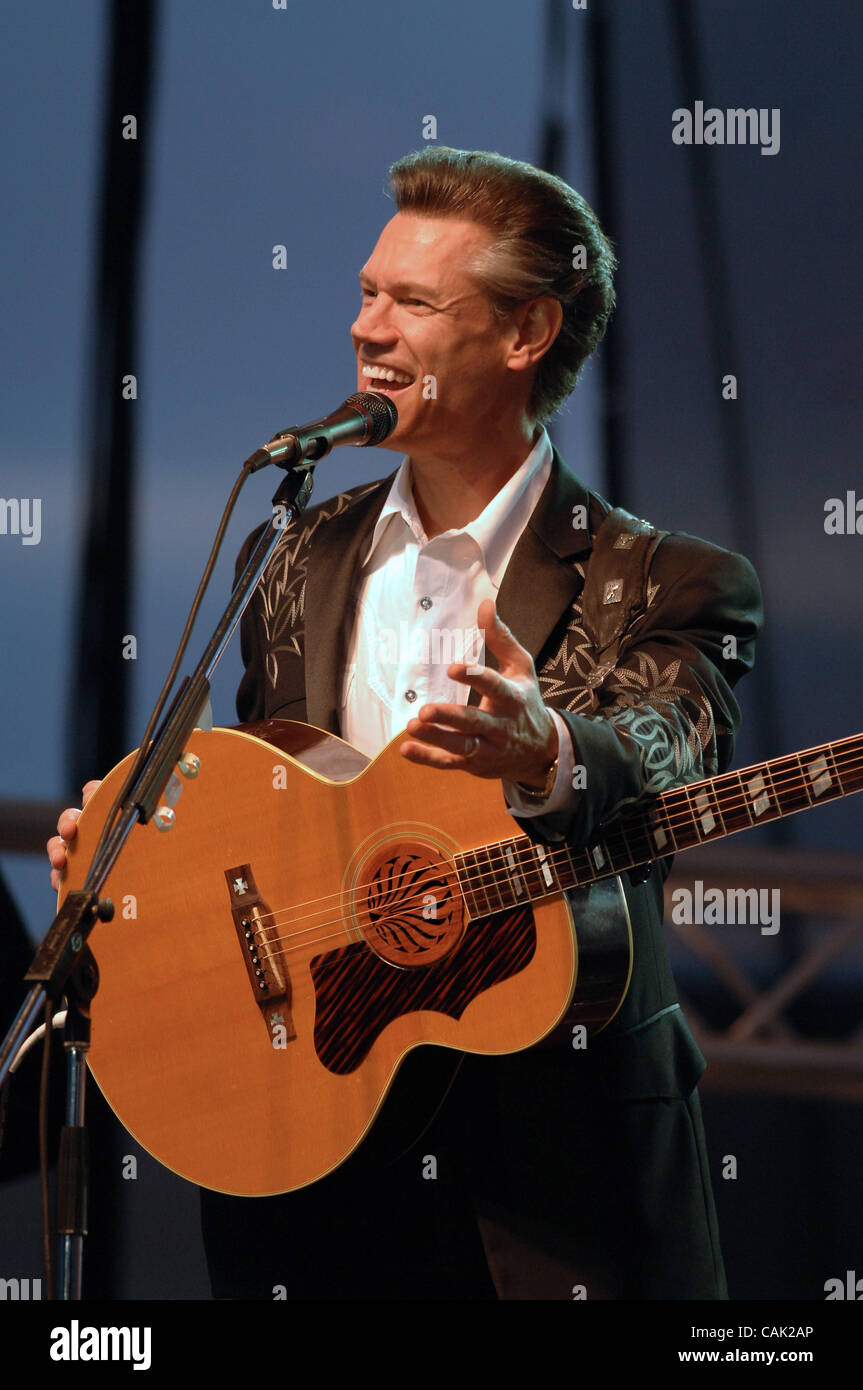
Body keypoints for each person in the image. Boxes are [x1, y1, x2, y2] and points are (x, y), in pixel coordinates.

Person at [48, 146, 762, 1300]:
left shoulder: (672, 580)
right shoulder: (293, 552)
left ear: (525, 334)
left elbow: (671, 748)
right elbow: (266, 801)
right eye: (366, 292)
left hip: (552, 1182)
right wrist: (145, 855)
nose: (365, 329)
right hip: (312, 1149)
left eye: (411, 302)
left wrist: (548, 748)